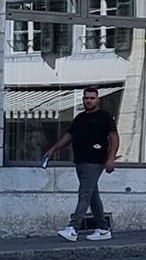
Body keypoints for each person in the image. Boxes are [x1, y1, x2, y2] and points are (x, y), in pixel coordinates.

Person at [41, 88, 120, 241]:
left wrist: (111, 158)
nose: (89, 101)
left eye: (92, 98)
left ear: (98, 100)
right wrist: (53, 149)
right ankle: (103, 229)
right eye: (86, 98)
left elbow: (114, 137)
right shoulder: (80, 118)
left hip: (95, 160)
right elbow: (69, 136)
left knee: (84, 193)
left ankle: (73, 228)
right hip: (80, 160)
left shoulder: (104, 117)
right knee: (92, 195)